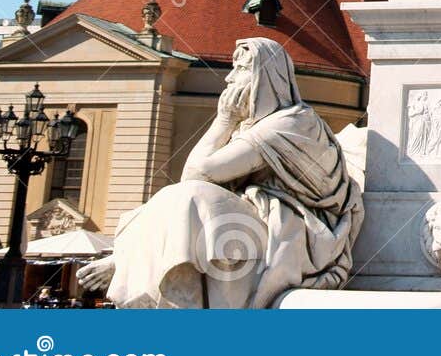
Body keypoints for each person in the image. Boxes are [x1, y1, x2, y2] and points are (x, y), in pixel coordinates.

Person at [78, 38, 363, 309]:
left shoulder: (289, 125)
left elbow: (197, 174)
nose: (228, 78)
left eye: (240, 69)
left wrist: (224, 120)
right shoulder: (257, 126)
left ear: (266, 78)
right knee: (177, 198)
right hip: (262, 218)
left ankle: (137, 266)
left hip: (305, 232)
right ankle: (136, 261)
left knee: (191, 197)